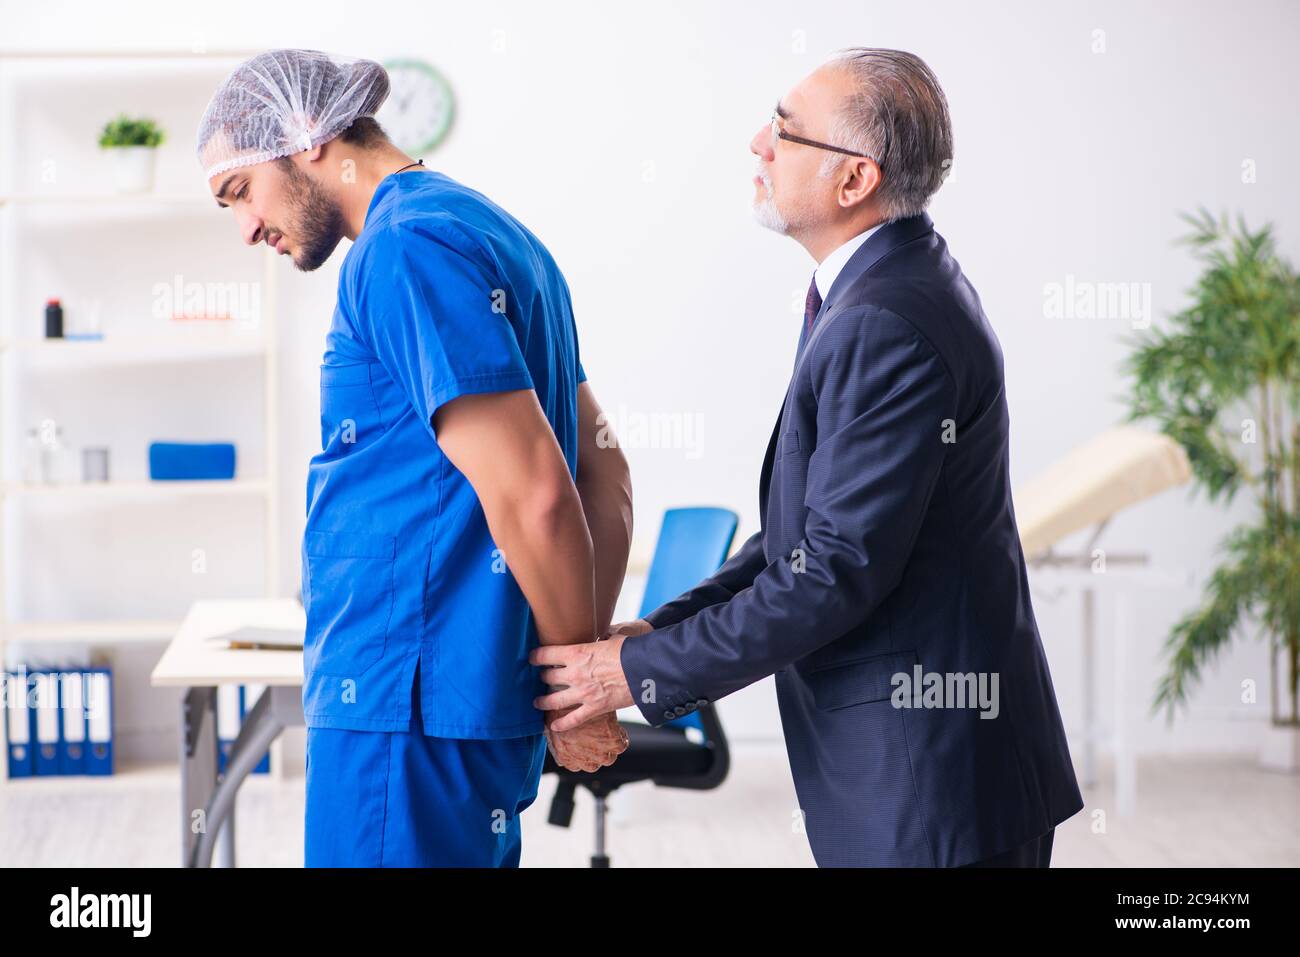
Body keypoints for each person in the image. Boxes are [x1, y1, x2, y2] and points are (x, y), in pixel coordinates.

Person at [532, 48, 1084, 867]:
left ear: (854, 180)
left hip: (927, 780)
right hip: (919, 770)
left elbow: (832, 573)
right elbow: (800, 540)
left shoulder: (884, 319)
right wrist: (653, 632)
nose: (760, 141)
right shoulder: (877, 288)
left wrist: (631, 673)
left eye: (787, 132)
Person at [196, 49, 630, 867]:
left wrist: (580, 692)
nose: (245, 227)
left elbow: (540, 493)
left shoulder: (401, 250)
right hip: (459, 696)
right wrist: (579, 658)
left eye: (240, 191)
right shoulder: (502, 237)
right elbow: (605, 473)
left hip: (403, 701)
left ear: (306, 136)